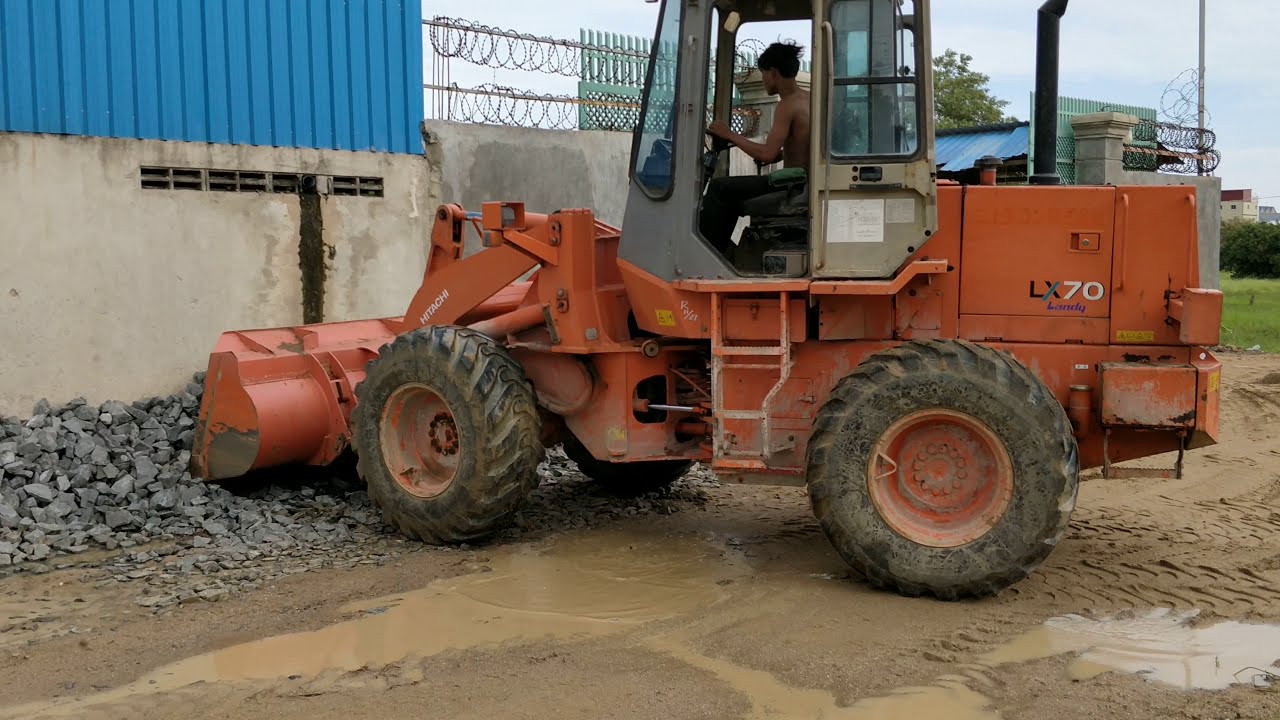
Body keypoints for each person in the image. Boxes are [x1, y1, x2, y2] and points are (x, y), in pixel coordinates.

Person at [699, 41, 811, 256]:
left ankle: (708, 255)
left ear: (773, 73)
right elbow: (797, 146)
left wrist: (728, 134)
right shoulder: (807, 99)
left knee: (719, 189)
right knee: (731, 194)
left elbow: (766, 153)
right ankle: (725, 254)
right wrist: (779, 155)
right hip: (799, 179)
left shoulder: (787, 105)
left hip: (792, 184)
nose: (763, 79)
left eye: (763, 73)